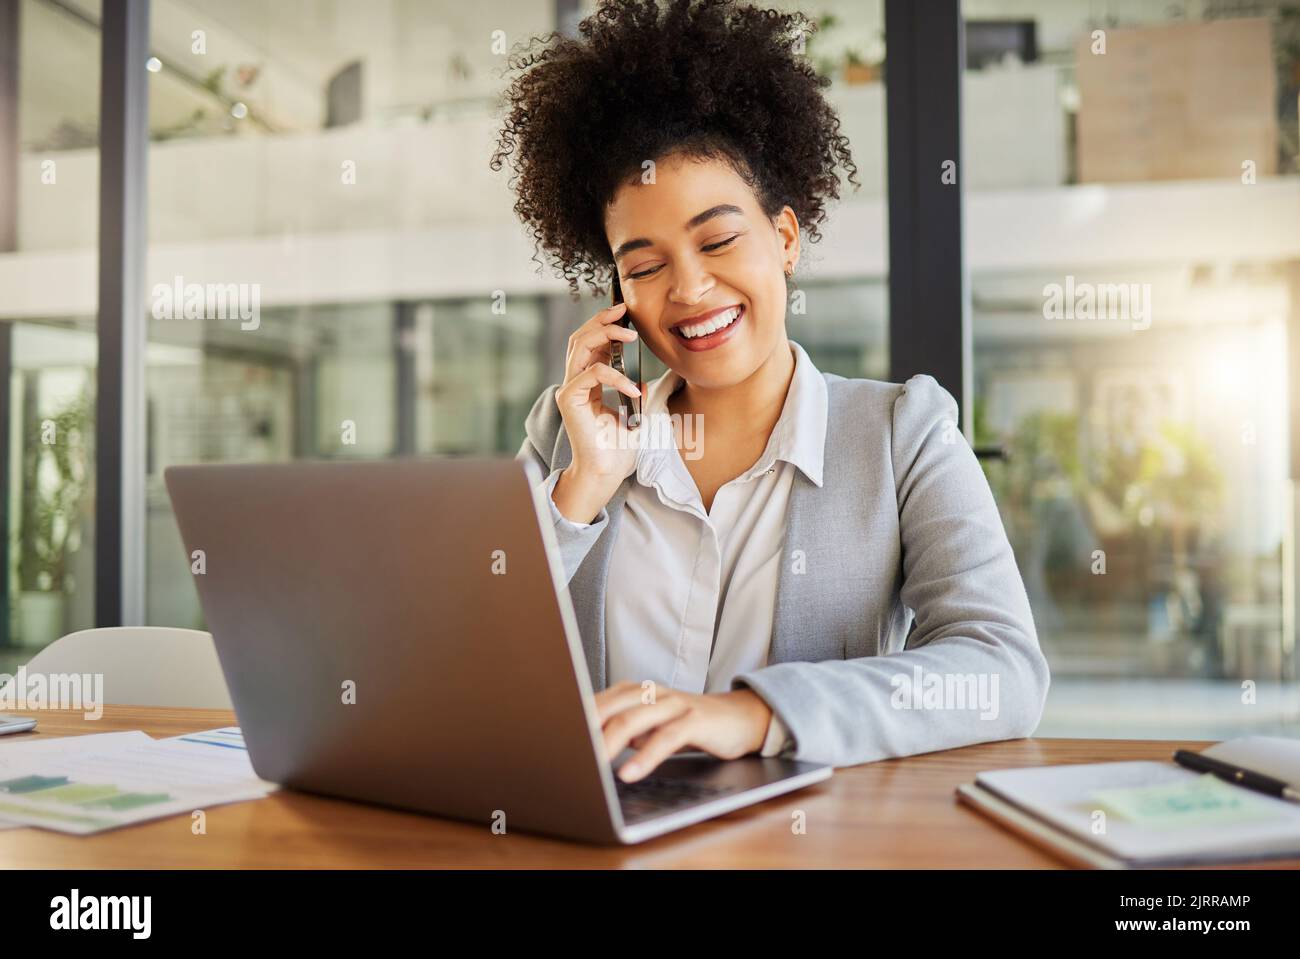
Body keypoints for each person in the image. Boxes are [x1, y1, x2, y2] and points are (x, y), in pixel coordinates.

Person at [493, 0, 1049, 783]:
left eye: (718, 240)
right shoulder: (568, 440)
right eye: (644, 264)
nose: (688, 287)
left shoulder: (901, 434)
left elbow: (1001, 669)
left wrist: (755, 714)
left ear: (784, 239)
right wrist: (579, 489)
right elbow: (468, 656)